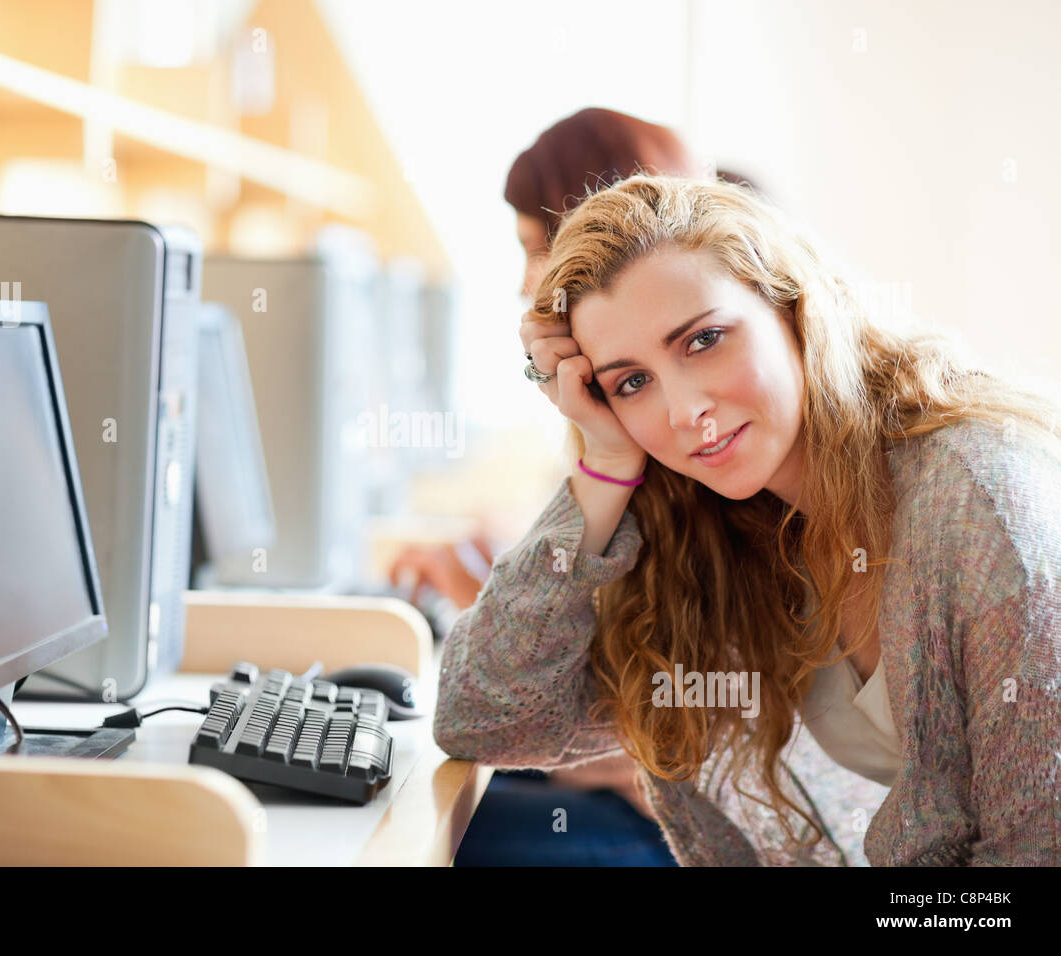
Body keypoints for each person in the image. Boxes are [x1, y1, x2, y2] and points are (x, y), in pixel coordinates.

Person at [436, 172, 1061, 865]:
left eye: (702, 341)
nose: (682, 412)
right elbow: (487, 716)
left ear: (793, 308)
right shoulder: (724, 529)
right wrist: (607, 459)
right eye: (631, 382)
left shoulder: (979, 502)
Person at [395, 108, 704, 865]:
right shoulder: (623, 436)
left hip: (657, 827)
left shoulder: (692, 451)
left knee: (427, 830)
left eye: (536, 248)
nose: (526, 281)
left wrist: (486, 600)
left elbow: (631, 730)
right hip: (626, 801)